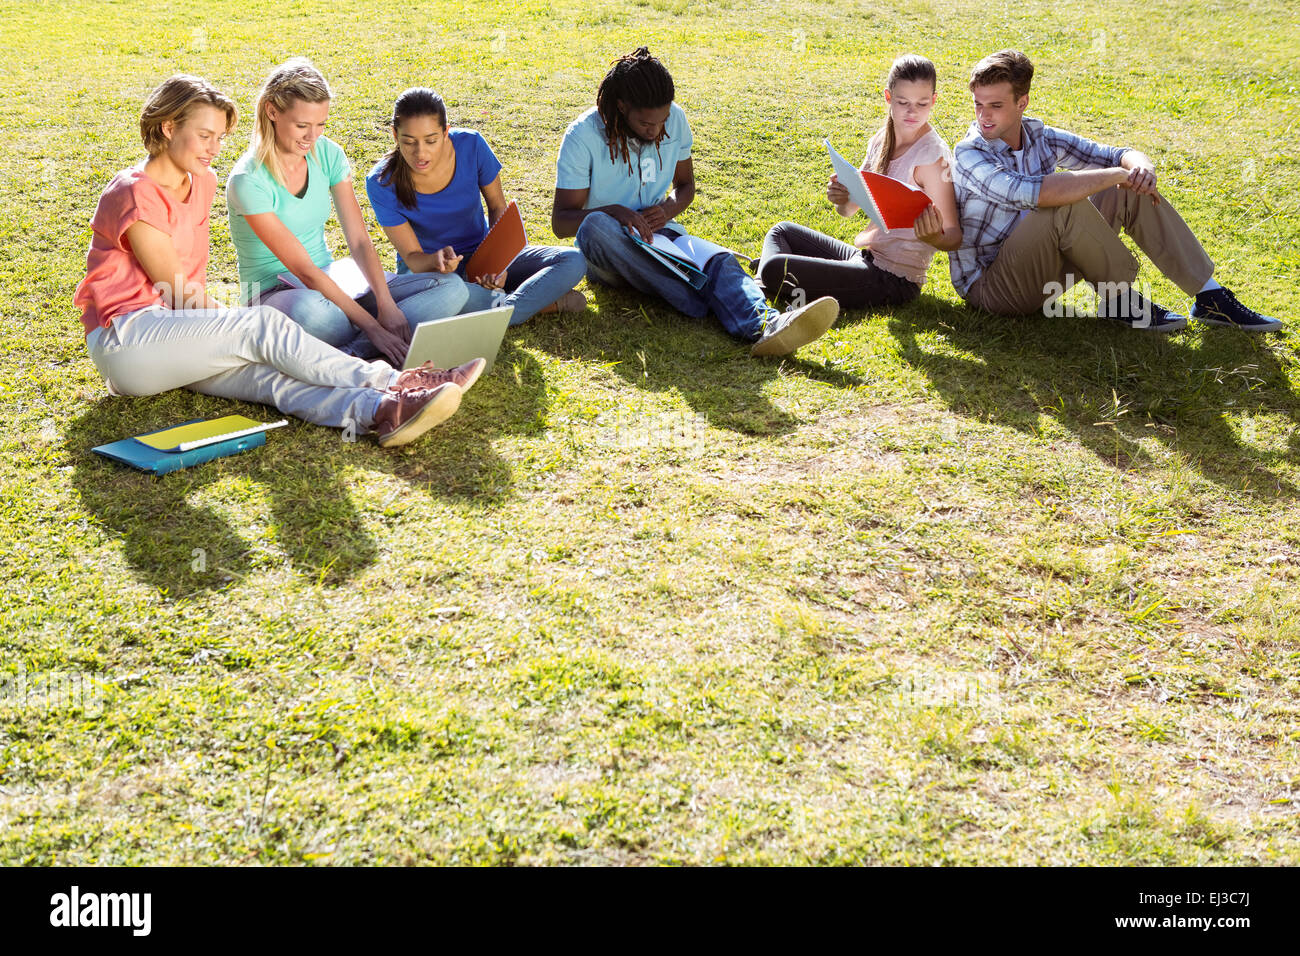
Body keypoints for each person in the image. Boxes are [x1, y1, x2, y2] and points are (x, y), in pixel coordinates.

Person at [74, 74, 482, 448]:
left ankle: (381, 411)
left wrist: (233, 330)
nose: (215, 149)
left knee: (273, 381)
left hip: (174, 341)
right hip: (127, 339)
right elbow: (177, 293)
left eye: (219, 137)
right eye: (204, 136)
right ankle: (398, 380)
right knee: (262, 327)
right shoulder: (132, 193)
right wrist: (234, 325)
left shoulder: (202, 180)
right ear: (168, 128)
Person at [950, 49, 1281, 332]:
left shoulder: (1040, 136)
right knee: (1065, 203)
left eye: (995, 105)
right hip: (991, 288)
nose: (983, 116)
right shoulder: (970, 152)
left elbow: (1115, 154)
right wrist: (1115, 174)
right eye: (978, 104)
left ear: (1022, 102)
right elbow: (1035, 193)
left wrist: (1139, 168)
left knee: (1127, 187)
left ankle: (1210, 297)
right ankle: (1119, 297)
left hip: (1040, 269)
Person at [551, 47, 839, 357]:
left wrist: (666, 209)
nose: (657, 130)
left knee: (718, 259)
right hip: (610, 250)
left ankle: (767, 325)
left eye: (662, 121)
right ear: (621, 106)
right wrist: (614, 212)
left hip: (661, 238)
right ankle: (702, 297)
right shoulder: (583, 136)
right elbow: (561, 222)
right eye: (647, 124)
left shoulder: (674, 120)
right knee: (595, 226)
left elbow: (685, 187)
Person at [226, 59, 471, 365]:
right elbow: (303, 271)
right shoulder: (248, 181)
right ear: (272, 111)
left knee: (450, 288)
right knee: (318, 315)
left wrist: (385, 304)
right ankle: (371, 341)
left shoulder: (327, 153)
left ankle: (353, 351)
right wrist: (373, 324)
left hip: (335, 281)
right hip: (275, 293)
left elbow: (358, 240)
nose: (311, 136)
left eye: (320, 125)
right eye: (302, 125)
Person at [365, 87, 587, 327]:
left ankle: (499, 303)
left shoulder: (471, 145)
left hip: (483, 257)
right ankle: (533, 303)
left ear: (446, 132)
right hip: (433, 275)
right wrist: (437, 261)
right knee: (455, 292)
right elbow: (411, 258)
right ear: (395, 136)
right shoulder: (381, 182)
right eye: (409, 142)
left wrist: (501, 265)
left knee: (574, 260)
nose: (421, 153)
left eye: (431, 140)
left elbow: (497, 208)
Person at [757, 55, 961, 310]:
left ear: (933, 100)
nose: (912, 112)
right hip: (864, 258)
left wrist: (934, 238)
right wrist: (842, 198)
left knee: (777, 267)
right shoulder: (881, 140)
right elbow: (848, 210)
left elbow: (953, 236)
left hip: (893, 280)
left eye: (922, 103)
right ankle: (766, 280)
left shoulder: (933, 157)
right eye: (902, 102)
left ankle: (763, 282)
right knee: (782, 231)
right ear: (888, 97)